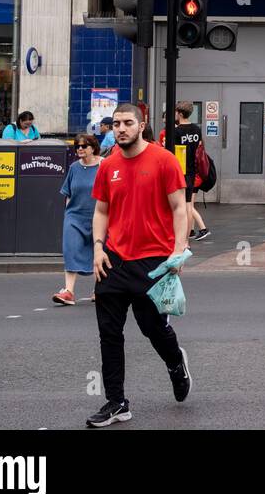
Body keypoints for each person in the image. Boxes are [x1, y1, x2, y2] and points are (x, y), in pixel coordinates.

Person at [86, 103, 191, 428]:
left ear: (141, 125)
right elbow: (101, 211)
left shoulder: (164, 160)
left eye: (127, 123)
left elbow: (179, 209)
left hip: (153, 261)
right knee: (109, 334)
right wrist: (98, 248)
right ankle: (116, 402)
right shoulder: (108, 166)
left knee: (152, 328)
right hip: (114, 260)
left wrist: (178, 251)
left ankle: (176, 362)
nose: (121, 128)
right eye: (116, 123)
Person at [54, 133, 102, 305]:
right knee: (71, 249)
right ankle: (68, 291)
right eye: (77, 146)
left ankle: (99, 289)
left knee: (100, 251)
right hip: (75, 216)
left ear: (93, 147)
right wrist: (68, 213)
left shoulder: (104, 165)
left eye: (83, 146)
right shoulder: (74, 167)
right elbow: (67, 192)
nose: (80, 149)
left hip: (99, 216)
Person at [168, 102, 209, 241]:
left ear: (179, 113)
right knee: (188, 205)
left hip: (179, 171)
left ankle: (182, 239)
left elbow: (171, 152)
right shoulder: (196, 129)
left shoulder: (176, 131)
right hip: (192, 171)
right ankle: (186, 240)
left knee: (181, 207)